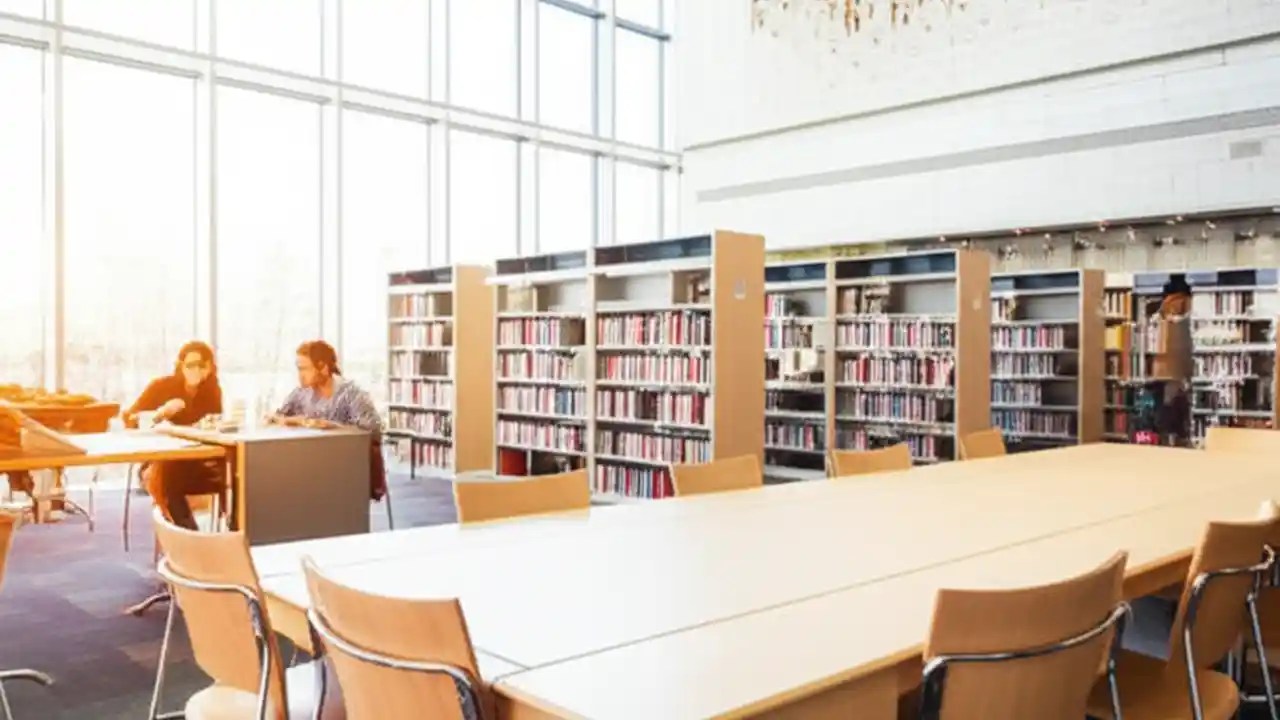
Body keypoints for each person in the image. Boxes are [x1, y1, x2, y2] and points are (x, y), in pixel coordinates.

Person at [125, 341, 224, 530]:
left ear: (210, 368)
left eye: (202, 365)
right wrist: (161, 412)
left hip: (196, 460)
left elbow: (213, 424)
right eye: (190, 365)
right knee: (169, 475)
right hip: (161, 460)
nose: (196, 370)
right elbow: (129, 418)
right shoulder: (161, 386)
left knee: (233, 472)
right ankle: (188, 533)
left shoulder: (212, 391)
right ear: (181, 366)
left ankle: (234, 533)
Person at [271, 340, 386, 500]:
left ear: (323, 368)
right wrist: (291, 420)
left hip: (345, 469)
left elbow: (373, 430)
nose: (300, 375)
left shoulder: (351, 393)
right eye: (298, 369)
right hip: (311, 465)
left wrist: (332, 426)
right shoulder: (301, 393)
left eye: (304, 368)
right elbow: (277, 416)